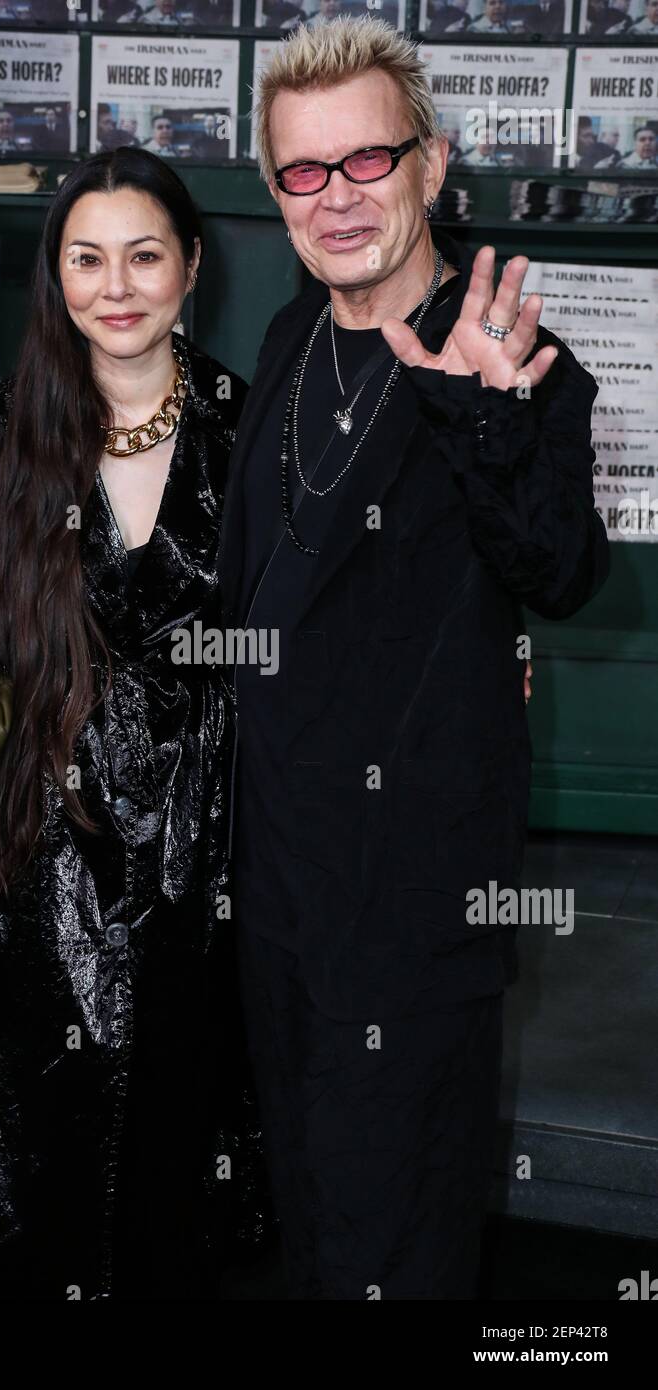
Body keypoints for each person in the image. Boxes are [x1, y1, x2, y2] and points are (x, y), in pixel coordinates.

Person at [216, 17, 609, 1300]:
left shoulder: (514, 360)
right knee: (308, 1213)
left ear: (434, 166)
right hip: (272, 881)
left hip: (409, 907)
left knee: (398, 1231)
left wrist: (481, 413)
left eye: (367, 162)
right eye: (300, 172)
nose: (335, 200)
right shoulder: (286, 343)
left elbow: (560, 573)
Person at [0, 148, 272, 1301]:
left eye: (144, 255)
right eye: (86, 258)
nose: (115, 285)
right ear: (56, 274)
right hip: (13, 911)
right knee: (5, 1204)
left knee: (166, 1197)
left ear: (189, 265)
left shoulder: (255, 436)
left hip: (195, 897)